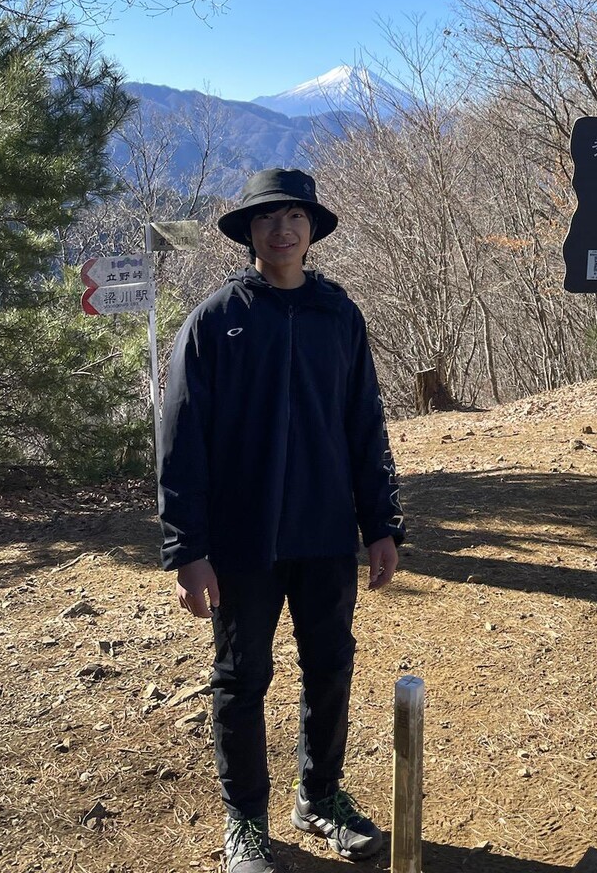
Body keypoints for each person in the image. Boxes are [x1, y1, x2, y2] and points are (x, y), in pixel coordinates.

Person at [157, 168, 405, 873]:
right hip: (242, 541)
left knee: (330, 667)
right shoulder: (215, 320)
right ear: (250, 234)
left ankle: (320, 797)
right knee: (241, 678)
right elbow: (179, 441)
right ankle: (246, 822)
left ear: (312, 229)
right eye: (268, 218)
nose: (283, 230)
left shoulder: (338, 315)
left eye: (295, 216)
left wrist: (381, 524)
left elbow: (366, 426)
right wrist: (187, 550)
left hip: (325, 534)